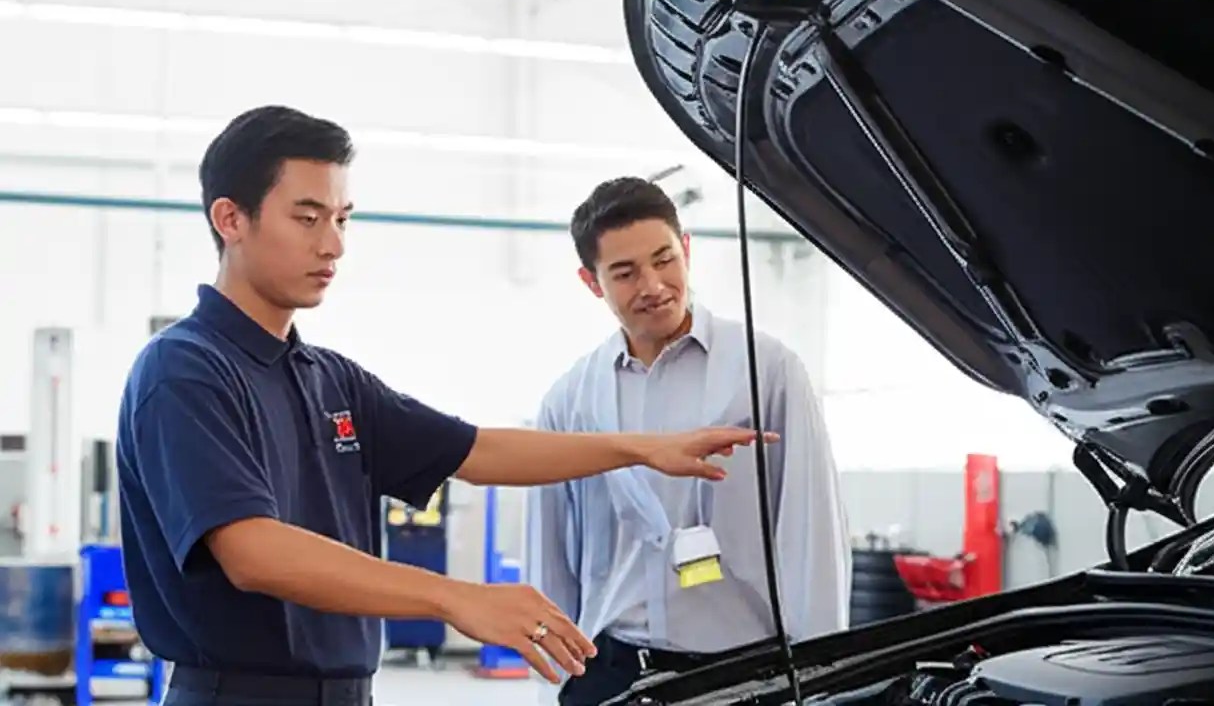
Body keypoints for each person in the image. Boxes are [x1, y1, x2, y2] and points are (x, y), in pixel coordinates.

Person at [113, 106, 775, 706]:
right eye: (307, 218)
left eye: (342, 220)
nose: (333, 245)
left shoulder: (328, 379)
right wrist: (455, 598)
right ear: (231, 219)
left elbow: (478, 450)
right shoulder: (184, 371)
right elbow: (253, 551)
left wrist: (640, 448)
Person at [525, 177, 852, 705]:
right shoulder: (570, 399)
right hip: (612, 671)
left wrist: (819, 677)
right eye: (625, 273)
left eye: (665, 259)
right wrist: (553, 683)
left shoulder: (765, 371)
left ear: (687, 249)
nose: (653, 285)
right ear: (592, 282)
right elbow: (550, 553)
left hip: (747, 673)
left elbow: (810, 530)